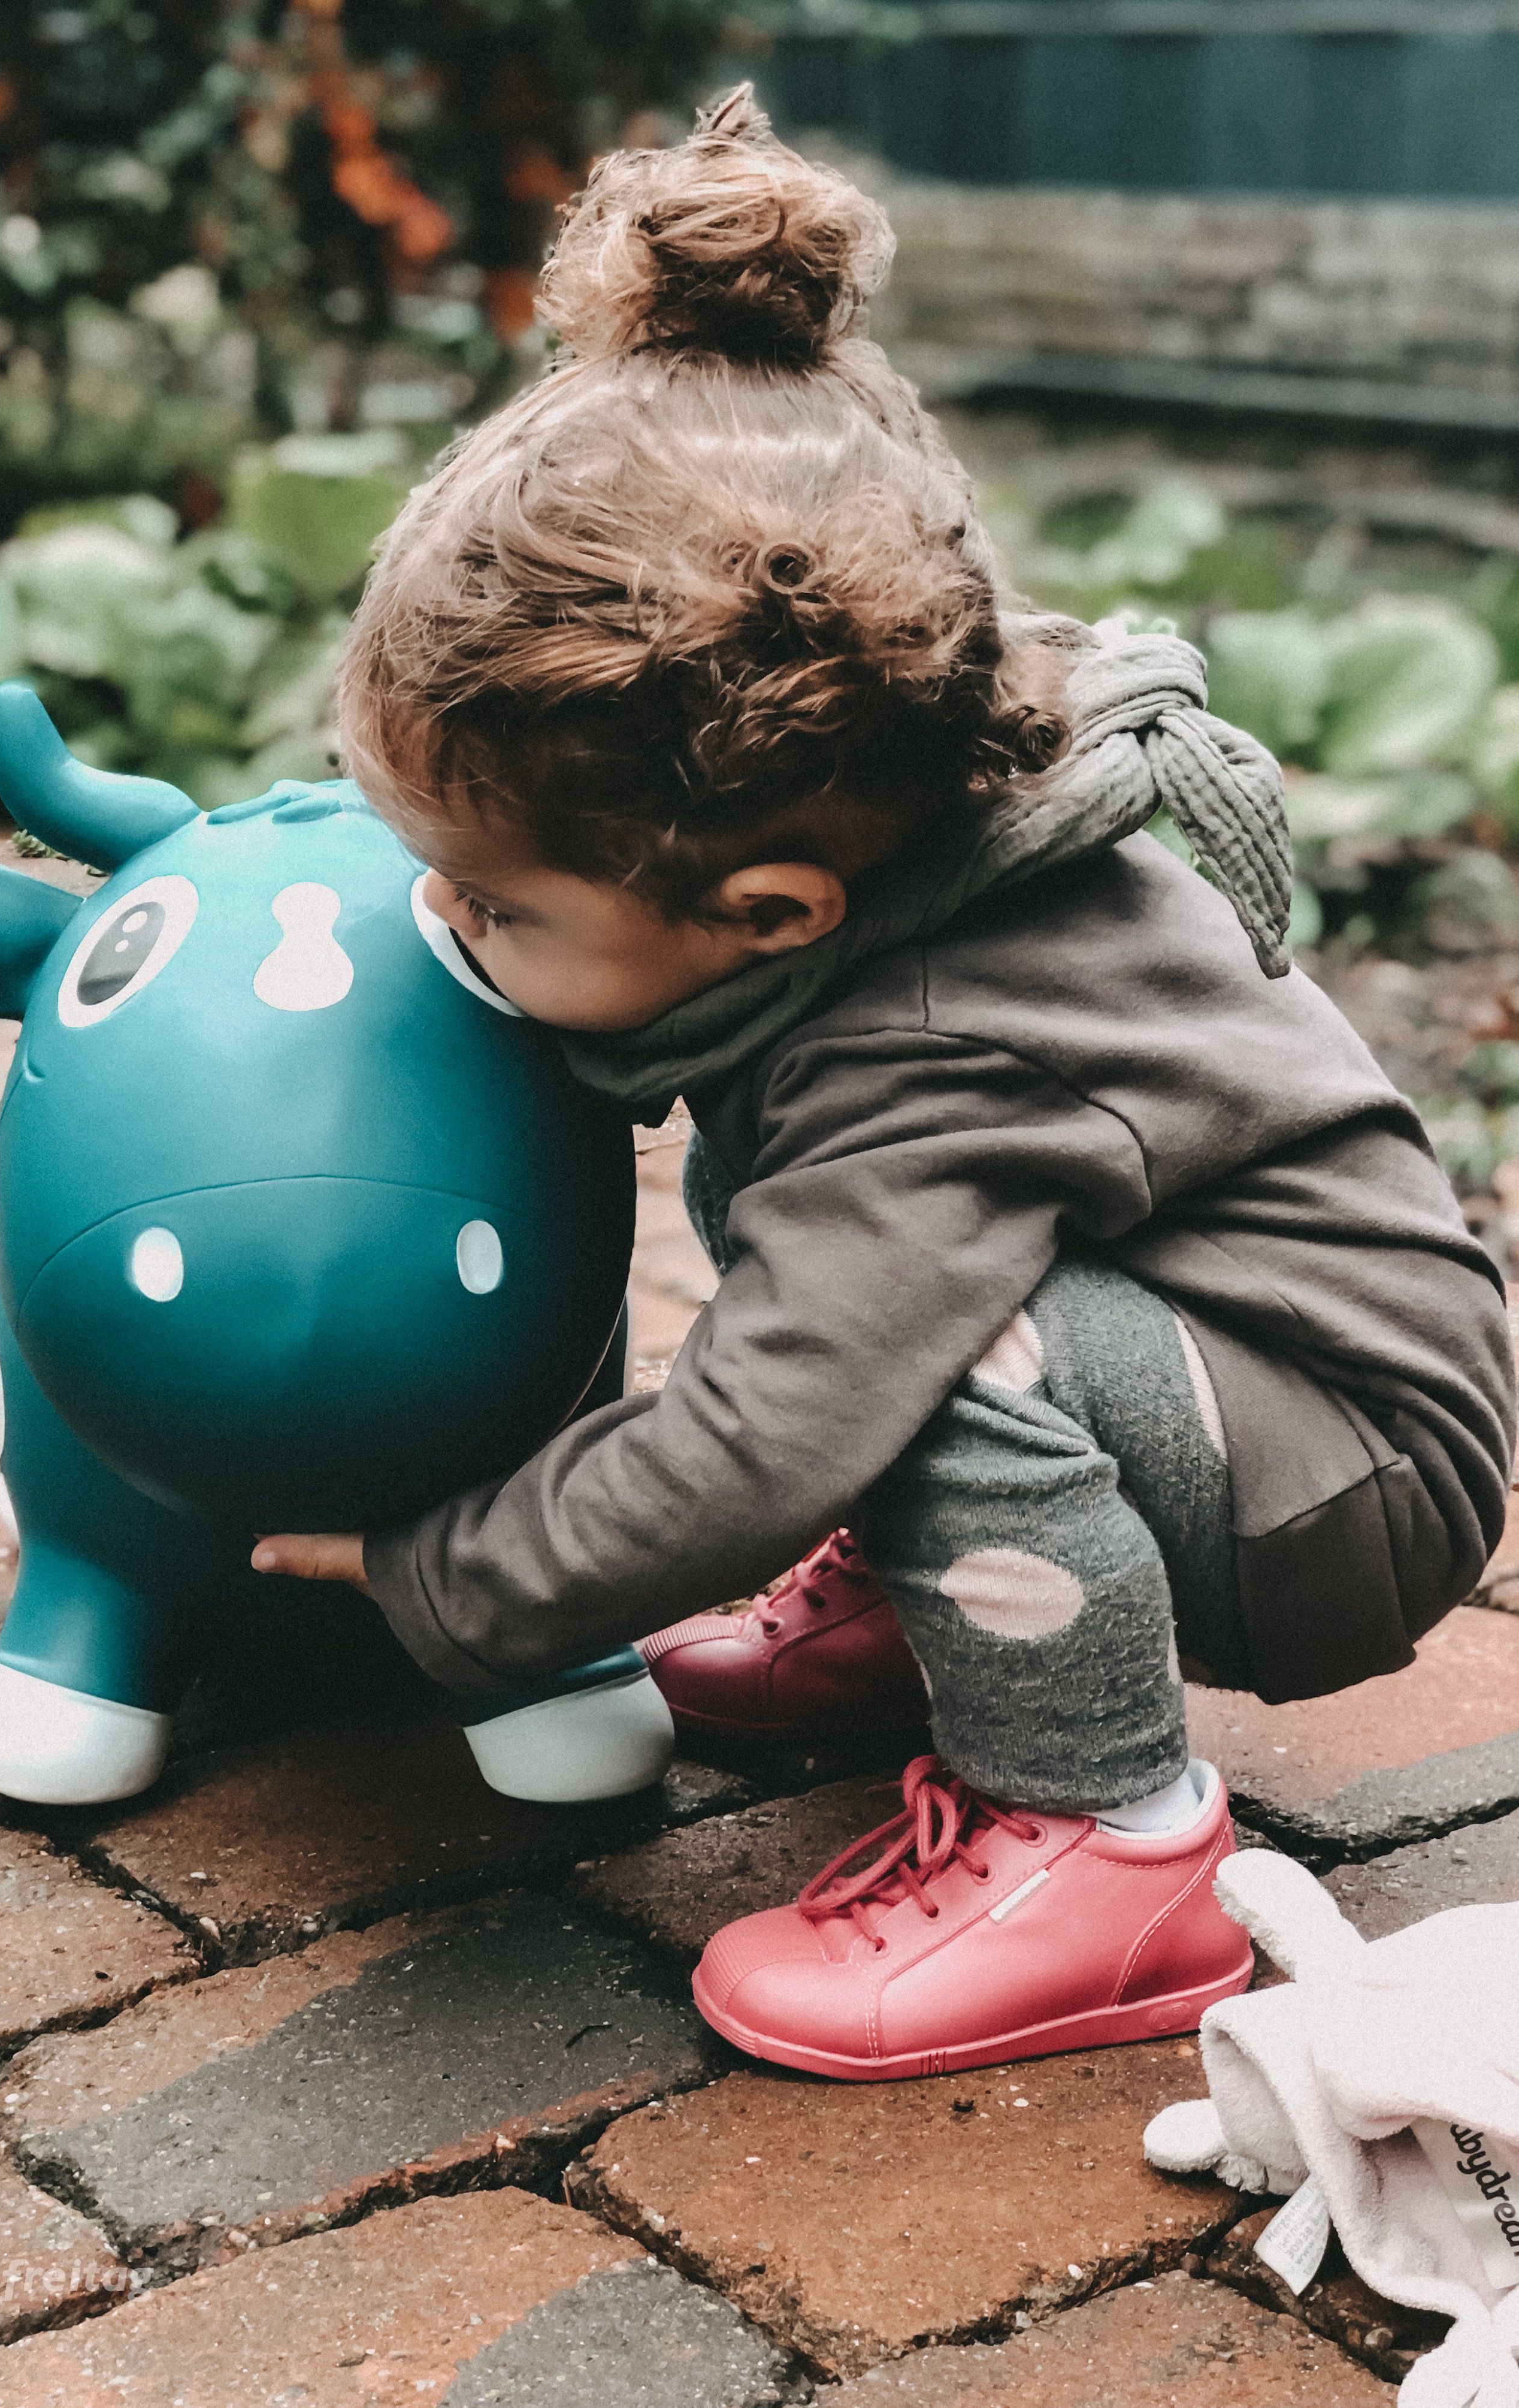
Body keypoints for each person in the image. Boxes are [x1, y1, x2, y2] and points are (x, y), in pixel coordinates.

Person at [252, 89, 1517, 2080]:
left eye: (493, 897)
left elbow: (756, 1430)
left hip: (1346, 1475)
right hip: (1232, 1376)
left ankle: (1105, 1832)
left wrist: (455, 1575)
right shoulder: (878, 864)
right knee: (879, 1291)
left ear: (766, 904)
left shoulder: (934, 1034)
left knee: (910, 1339)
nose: (445, 915)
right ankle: (950, 1595)